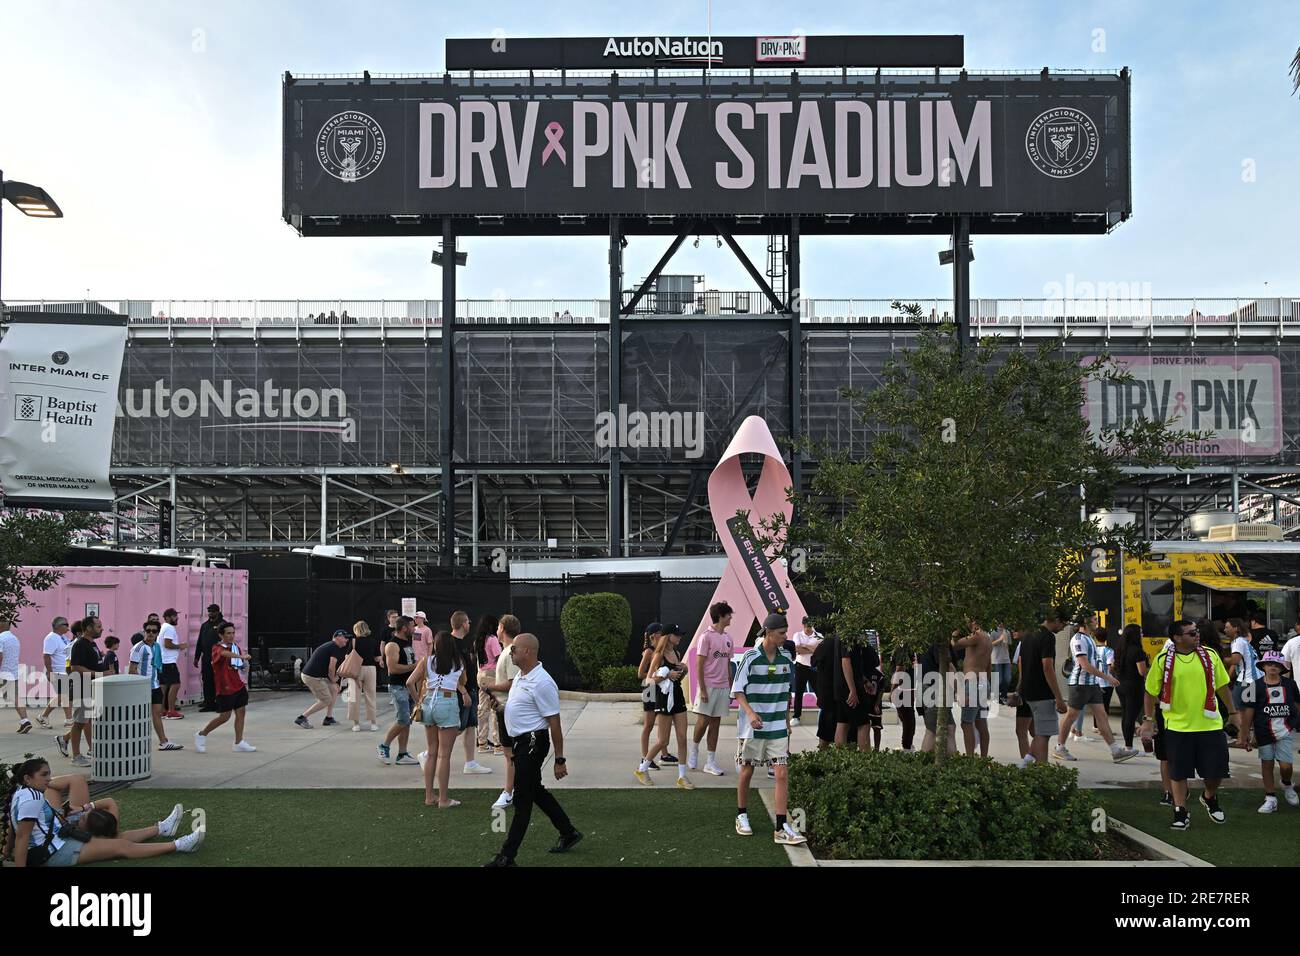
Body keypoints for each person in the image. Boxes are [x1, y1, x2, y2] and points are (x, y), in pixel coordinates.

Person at [484, 634, 582, 867]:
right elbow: (522, 706)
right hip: (522, 743)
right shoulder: (522, 675)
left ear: (527, 651)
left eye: (514, 649)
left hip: (532, 744)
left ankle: (507, 856)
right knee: (535, 791)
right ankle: (568, 832)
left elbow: (555, 722)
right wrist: (502, 708)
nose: (510, 652)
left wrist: (560, 759)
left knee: (522, 799)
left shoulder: (543, 682)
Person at [2, 758, 202, 866]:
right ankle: (179, 845)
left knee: (115, 839)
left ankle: (162, 830)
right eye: (44, 775)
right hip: (53, 853)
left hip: (58, 839)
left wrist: (5, 852)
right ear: (28, 779)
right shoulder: (32, 799)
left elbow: (14, 828)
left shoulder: (23, 793)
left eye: (49, 774)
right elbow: (22, 837)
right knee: (120, 846)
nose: (49, 779)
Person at [1141, 620, 1236, 830]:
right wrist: (1148, 720)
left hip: (1210, 724)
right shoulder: (1163, 660)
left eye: (1197, 632)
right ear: (1177, 637)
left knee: (1216, 772)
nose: (1197, 635)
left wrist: (1233, 712)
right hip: (1177, 726)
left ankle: (1209, 797)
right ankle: (1180, 811)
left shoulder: (1210, 655)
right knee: (1179, 772)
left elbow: (1221, 685)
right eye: (1191, 633)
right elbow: (1150, 692)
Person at [731, 613, 806, 845]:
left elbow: (786, 693)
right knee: (747, 770)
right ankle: (741, 814)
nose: (785, 637)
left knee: (782, 773)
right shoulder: (751, 657)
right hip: (751, 728)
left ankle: (781, 826)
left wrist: (786, 720)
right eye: (782, 633)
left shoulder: (786, 658)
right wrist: (751, 713)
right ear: (768, 632)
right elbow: (737, 690)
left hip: (777, 727)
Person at [1053, 614, 1137, 763]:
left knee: (1102, 716)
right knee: (1071, 716)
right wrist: (1107, 678)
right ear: (1085, 621)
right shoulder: (1078, 639)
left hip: (1091, 684)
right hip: (1080, 684)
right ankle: (1060, 748)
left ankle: (1115, 751)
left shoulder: (1089, 638)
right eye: (1094, 619)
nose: (1097, 622)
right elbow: (1084, 664)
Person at [413, 631, 472, 809]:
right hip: (447, 702)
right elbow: (462, 681)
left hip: (428, 702)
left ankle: (429, 796)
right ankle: (444, 799)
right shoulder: (459, 662)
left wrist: (418, 700)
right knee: (444, 756)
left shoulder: (427, 661)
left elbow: (410, 682)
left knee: (431, 752)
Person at [1240, 651, 1299, 813]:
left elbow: (1296, 703)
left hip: (1285, 729)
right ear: (1263, 666)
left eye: (1277, 664)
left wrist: (1296, 720)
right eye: (1270, 663)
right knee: (1267, 763)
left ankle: (1287, 784)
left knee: (1286, 766)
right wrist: (1244, 735)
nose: (1273, 666)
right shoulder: (1255, 686)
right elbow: (1249, 711)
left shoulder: (1290, 684)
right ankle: (1270, 797)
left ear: (1281, 668)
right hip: (1263, 730)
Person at [642, 625, 695, 790]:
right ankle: (642, 768)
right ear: (668, 636)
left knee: (682, 737)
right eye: (676, 635)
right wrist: (665, 674)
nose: (679, 638)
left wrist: (683, 671)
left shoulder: (677, 654)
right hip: (664, 699)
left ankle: (682, 776)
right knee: (663, 740)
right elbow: (649, 681)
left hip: (678, 697)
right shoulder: (658, 655)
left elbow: (677, 678)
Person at [1015, 610, 1068, 767]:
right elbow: (1047, 666)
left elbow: (1021, 664)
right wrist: (1058, 697)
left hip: (1027, 691)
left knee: (1038, 732)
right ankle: (1042, 771)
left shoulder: (1028, 635)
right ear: (1057, 620)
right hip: (1042, 693)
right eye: (1063, 624)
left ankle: (1026, 763)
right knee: (1043, 734)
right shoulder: (1047, 637)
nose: (1063, 628)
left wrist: (1019, 689)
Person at [195, 622, 256, 754]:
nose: (231, 635)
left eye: (233, 633)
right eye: (228, 633)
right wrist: (241, 656)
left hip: (238, 685)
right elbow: (223, 654)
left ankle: (239, 742)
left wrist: (245, 663)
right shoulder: (217, 648)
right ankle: (201, 734)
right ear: (221, 635)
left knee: (241, 712)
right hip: (225, 687)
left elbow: (240, 666)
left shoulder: (235, 647)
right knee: (224, 717)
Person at [688, 602, 733, 776]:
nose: (731, 618)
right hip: (708, 686)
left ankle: (710, 762)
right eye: (728, 615)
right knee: (702, 723)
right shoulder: (705, 637)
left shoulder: (728, 638)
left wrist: (729, 687)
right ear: (721, 616)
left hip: (723, 688)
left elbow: (728, 665)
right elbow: (698, 664)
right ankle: (694, 750)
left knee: (715, 724)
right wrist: (703, 689)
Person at [483, 614, 522, 810]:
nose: (496, 630)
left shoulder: (511, 652)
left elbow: (513, 684)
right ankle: (514, 790)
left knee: (510, 753)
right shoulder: (508, 650)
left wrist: (490, 686)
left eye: (498, 626)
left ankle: (509, 792)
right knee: (510, 753)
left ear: (503, 628)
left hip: (508, 709)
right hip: (503, 708)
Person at [128, 620, 183, 751]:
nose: (150, 633)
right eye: (148, 631)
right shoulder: (138, 648)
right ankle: (134, 743)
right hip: (142, 687)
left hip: (155, 686)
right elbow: (132, 669)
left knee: (157, 714)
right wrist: (140, 686)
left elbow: (156, 666)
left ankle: (163, 741)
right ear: (144, 632)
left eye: (154, 631)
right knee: (138, 717)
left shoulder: (156, 646)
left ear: (158, 633)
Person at [450, 610, 492, 775]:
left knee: (469, 726)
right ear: (462, 624)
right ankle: (430, 753)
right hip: (463, 693)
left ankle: (470, 763)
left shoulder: (462, 642)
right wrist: (463, 691)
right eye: (467, 621)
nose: (470, 624)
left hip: (471, 690)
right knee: (457, 728)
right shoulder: (451, 643)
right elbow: (451, 671)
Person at [61, 616, 104, 767]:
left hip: (92, 686)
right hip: (82, 686)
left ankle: (70, 744)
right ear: (88, 628)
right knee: (79, 722)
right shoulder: (80, 644)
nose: (101, 629)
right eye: (98, 626)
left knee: (85, 720)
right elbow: (75, 667)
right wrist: (98, 674)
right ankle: (76, 756)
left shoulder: (92, 644)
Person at [378, 615, 419, 766]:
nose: (414, 629)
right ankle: (384, 746)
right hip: (398, 687)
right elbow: (393, 668)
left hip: (408, 687)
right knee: (403, 720)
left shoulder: (407, 643)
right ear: (404, 628)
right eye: (412, 626)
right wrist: (415, 666)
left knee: (407, 722)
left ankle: (402, 754)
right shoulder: (392, 645)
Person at [295, 629, 349, 728]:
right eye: (345, 637)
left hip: (315, 676)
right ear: (337, 637)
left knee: (334, 689)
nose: (347, 640)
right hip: (312, 677)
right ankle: (302, 717)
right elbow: (331, 667)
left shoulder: (331, 646)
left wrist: (334, 681)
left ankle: (328, 718)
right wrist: (333, 679)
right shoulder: (334, 647)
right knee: (326, 700)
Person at [953, 622, 992, 757]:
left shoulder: (976, 635)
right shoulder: (988, 638)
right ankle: (984, 758)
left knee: (966, 723)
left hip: (973, 682)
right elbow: (989, 666)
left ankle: (970, 759)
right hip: (983, 681)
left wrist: (955, 632)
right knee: (981, 722)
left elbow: (955, 644)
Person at [837, 633, 880, 751]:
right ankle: (865, 761)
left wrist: (865, 681)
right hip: (851, 686)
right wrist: (852, 689)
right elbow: (846, 661)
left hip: (843, 686)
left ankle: (838, 759)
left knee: (843, 722)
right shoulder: (849, 635)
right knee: (864, 724)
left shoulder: (839, 635)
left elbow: (854, 665)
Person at [1112, 624, 1150, 751]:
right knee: (1131, 716)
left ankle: (1128, 745)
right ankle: (1129, 747)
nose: (1142, 635)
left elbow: (1112, 666)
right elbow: (1142, 671)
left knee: (1126, 714)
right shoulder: (1137, 651)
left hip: (1120, 684)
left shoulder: (1120, 649)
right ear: (1135, 635)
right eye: (1140, 632)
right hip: (1134, 686)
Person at [635, 623, 664, 783]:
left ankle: (663, 754)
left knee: (661, 721)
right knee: (648, 724)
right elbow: (640, 673)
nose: (663, 635)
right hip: (649, 688)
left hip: (659, 688)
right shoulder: (649, 651)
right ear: (653, 636)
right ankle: (644, 757)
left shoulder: (661, 651)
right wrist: (655, 674)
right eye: (660, 633)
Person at [473, 613, 502, 754]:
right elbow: (499, 657)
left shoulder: (478, 640)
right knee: (495, 709)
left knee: (482, 709)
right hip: (492, 675)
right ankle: (498, 744)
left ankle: (482, 743)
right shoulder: (492, 639)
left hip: (481, 675)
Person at [38, 616, 73, 728]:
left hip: (65, 671)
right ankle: (45, 716)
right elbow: (46, 655)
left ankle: (67, 719)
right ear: (58, 626)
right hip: (57, 671)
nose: (68, 627)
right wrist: (50, 672)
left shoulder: (62, 637)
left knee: (64, 696)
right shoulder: (51, 638)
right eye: (66, 625)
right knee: (63, 695)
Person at [347, 620, 382, 731]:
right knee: (371, 696)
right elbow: (377, 658)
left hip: (355, 670)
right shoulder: (373, 641)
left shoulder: (353, 642)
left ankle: (356, 724)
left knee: (354, 696)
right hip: (370, 669)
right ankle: (373, 723)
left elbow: (347, 657)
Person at [0, 618, 32, 733]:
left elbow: (0, 656)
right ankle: (25, 721)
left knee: (14, 697)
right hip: (12, 673)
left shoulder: (0, 638)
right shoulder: (14, 639)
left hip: (2, 672)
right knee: (16, 697)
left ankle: (25, 721)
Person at [1227, 616, 1260, 720]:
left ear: (1236, 628)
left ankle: (1243, 735)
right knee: (1250, 711)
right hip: (1253, 680)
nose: (1224, 630)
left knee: (1240, 711)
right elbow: (1237, 663)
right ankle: (1249, 735)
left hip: (1246, 681)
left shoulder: (1238, 642)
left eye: (1227, 627)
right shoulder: (1243, 641)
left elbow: (1235, 660)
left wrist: (1218, 658)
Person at [811, 632, 841, 749]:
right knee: (843, 725)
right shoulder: (847, 643)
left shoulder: (825, 644)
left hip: (826, 691)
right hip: (843, 691)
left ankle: (823, 750)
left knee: (825, 727)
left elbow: (813, 661)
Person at [194, 604, 225, 712]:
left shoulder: (223, 624)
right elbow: (200, 642)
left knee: (219, 680)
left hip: (219, 657)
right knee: (207, 679)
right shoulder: (205, 625)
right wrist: (196, 657)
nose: (210, 613)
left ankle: (220, 703)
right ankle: (209, 703)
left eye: (212, 611)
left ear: (217, 612)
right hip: (206, 657)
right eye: (209, 611)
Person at [791, 616, 821, 726]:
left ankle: (823, 712)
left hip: (814, 667)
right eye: (806, 626)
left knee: (819, 691)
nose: (808, 628)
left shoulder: (819, 636)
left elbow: (818, 650)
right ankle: (796, 716)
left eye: (810, 626)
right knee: (799, 692)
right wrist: (811, 648)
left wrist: (804, 646)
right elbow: (796, 649)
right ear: (803, 625)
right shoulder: (797, 635)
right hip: (801, 666)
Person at [889, 641, 917, 752]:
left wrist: (892, 689)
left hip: (902, 687)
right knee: (906, 716)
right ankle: (908, 744)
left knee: (906, 717)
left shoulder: (903, 646)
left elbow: (900, 668)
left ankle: (907, 746)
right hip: (907, 686)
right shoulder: (904, 645)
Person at [158, 608, 186, 720]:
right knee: (175, 684)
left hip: (163, 662)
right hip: (169, 662)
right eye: (174, 616)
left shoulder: (164, 627)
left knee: (164, 686)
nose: (177, 618)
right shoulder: (169, 628)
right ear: (167, 617)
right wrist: (180, 646)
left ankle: (163, 711)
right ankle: (171, 711)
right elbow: (168, 644)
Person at [990, 624, 1012, 704]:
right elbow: (989, 644)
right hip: (996, 659)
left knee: (1008, 678)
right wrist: (1000, 639)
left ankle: (1003, 696)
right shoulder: (993, 632)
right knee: (998, 680)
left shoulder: (1007, 632)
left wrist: (1009, 658)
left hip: (1006, 659)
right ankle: (996, 697)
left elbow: (1007, 646)